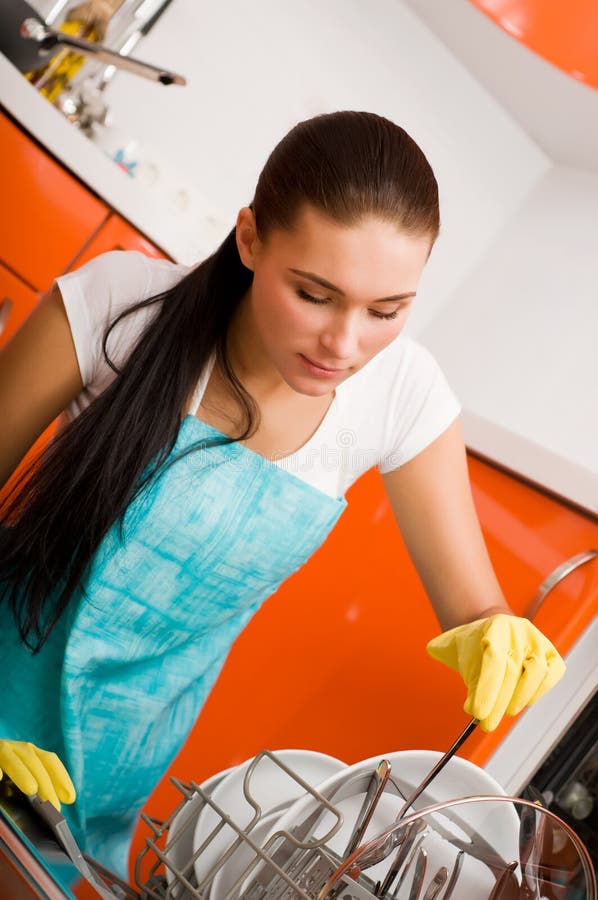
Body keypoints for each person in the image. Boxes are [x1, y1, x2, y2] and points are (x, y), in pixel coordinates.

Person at [0, 110, 565, 880]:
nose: (345, 344)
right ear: (250, 239)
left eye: (387, 311)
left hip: (108, 771)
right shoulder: (118, 307)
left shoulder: (401, 394)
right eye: (313, 293)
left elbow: (476, 611)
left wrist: (498, 634)